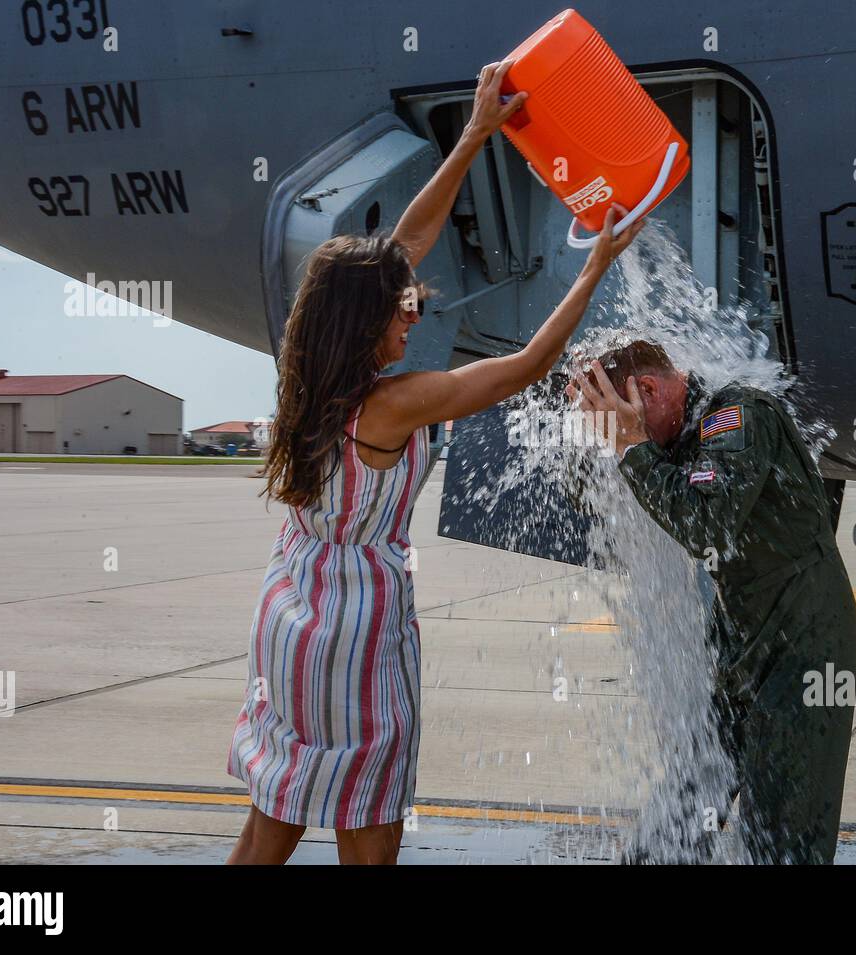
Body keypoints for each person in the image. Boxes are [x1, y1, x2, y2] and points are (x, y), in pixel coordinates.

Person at [226, 60, 643, 865]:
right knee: (371, 823)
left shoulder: (308, 373)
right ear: (366, 321)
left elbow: (401, 248)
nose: (412, 318)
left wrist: (477, 135)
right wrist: (592, 270)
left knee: (272, 816)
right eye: (401, 311)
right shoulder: (391, 403)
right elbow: (521, 368)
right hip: (353, 630)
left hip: (290, 614)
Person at [569, 341, 856, 864]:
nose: (604, 439)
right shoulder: (687, 428)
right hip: (739, 635)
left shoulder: (737, 416)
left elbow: (706, 526)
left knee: (782, 832)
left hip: (802, 640)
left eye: (608, 421)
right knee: (680, 811)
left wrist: (633, 446)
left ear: (650, 390)